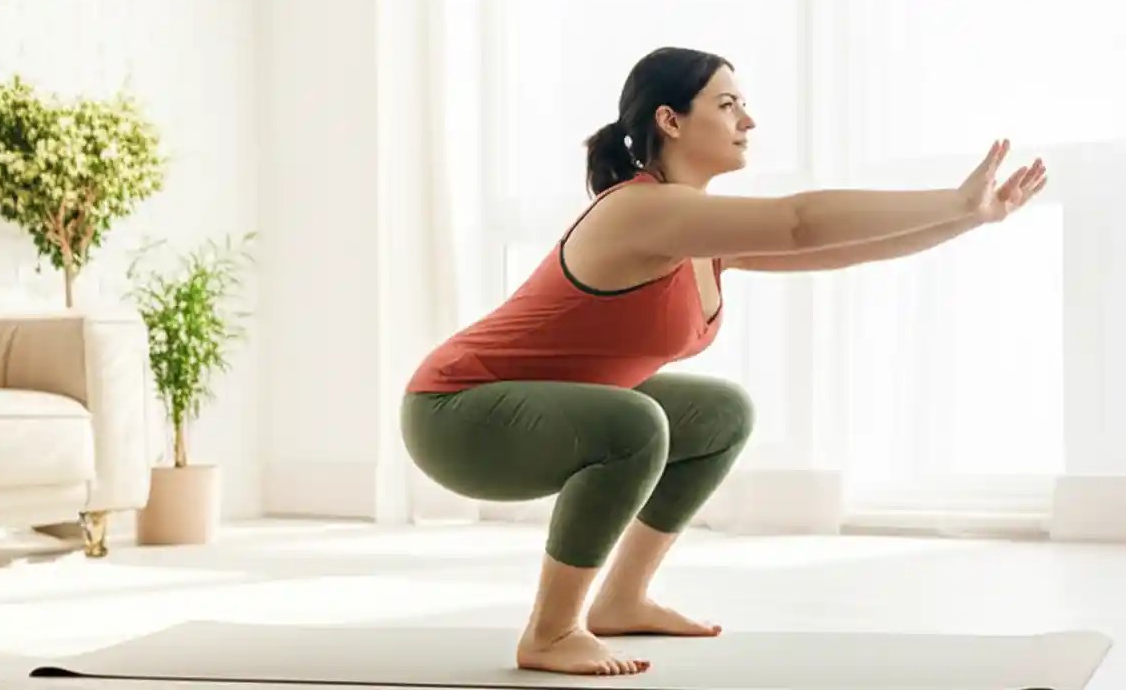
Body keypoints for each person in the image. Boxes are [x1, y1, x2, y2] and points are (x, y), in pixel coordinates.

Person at [400, 46, 1049, 677]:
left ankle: (622, 599)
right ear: (670, 120)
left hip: (522, 413)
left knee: (718, 413)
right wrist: (949, 200)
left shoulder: (696, 232)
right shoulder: (640, 209)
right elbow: (800, 221)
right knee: (636, 423)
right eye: (729, 103)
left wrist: (970, 219)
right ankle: (552, 631)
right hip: (457, 414)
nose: (749, 121)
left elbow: (835, 249)